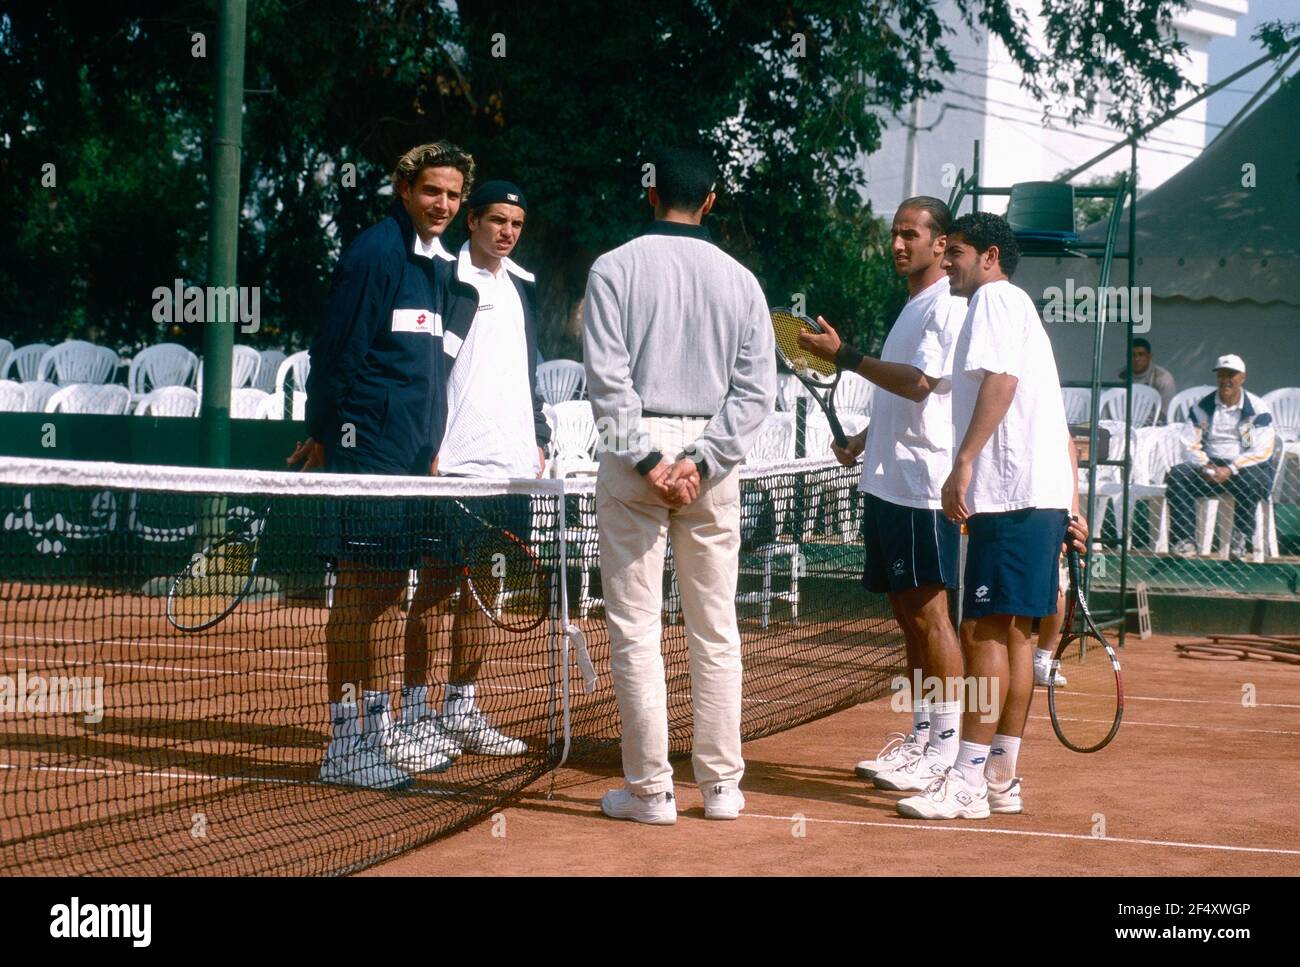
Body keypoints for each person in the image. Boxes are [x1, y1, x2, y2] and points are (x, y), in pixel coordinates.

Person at [583, 146, 775, 825]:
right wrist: (703, 459)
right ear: (712, 199)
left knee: (636, 627)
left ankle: (650, 791)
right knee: (715, 628)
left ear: (649, 193)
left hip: (638, 457)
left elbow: (607, 381)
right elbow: (756, 394)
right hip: (709, 465)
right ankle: (721, 788)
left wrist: (648, 462)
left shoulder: (613, 268)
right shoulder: (741, 280)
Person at [289, 140, 474, 789]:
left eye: (453, 195)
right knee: (361, 599)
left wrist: (426, 449)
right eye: (432, 191)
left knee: (390, 596)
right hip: (366, 453)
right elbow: (334, 351)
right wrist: (324, 433)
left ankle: (374, 729)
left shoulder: (434, 266)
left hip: (409, 461)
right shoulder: (375, 254)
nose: (443, 204)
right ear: (404, 189)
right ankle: (344, 744)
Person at [906, 211, 1086, 820]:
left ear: (987, 256)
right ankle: (1001, 775)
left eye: (953, 251)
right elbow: (1057, 423)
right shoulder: (1017, 309)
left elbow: (1001, 384)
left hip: (1011, 496)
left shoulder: (994, 300)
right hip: (1036, 497)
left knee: (983, 630)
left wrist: (963, 463)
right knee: (1013, 636)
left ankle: (967, 781)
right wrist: (1071, 504)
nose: (945, 261)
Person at [794, 196, 967, 794]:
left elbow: (921, 386)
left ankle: (946, 749)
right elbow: (901, 395)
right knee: (906, 616)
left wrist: (843, 356)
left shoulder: (946, 306)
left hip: (921, 486)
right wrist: (864, 440)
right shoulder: (912, 306)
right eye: (894, 234)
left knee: (931, 616)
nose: (898, 244)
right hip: (887, 478)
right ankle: (922, 737)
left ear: (941, 243)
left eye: (910, 234)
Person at [403, 179, 550, 756]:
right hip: (455, 464)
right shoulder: (446, 279)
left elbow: (526, 371)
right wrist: (431, 442)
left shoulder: (523, 288)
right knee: (435, 592)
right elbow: (429, 370)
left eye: (515, 223)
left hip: (512, 469)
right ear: (472, 222)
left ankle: (461, 709)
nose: (507, 232)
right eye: (496, 221)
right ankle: (415, 715)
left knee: (485, 593)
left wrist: (536, 438)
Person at [1167, 354, 1279, 561]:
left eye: (1232, 375)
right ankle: (1184, 540)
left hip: (1244, 468)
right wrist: (1205, 466)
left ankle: (1241, 539)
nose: (1226, 380)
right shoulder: (1203, 407)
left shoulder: (1256, 408)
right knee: (1178, 474)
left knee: (1253, 479)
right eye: (1221, 375)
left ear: (1242, 378)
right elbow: (1189, 443)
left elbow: (1262, 450)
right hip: (1211, 467)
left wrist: (1231, 468)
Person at [1118, 337, 1177, 422]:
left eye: (1141, 354)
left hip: (1154, 426)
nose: (1136, 359)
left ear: (1149, 356)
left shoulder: (1163, 378)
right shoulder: (1120, 376)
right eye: (1132, 355)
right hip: (1125, 423)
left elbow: (1166, 413)